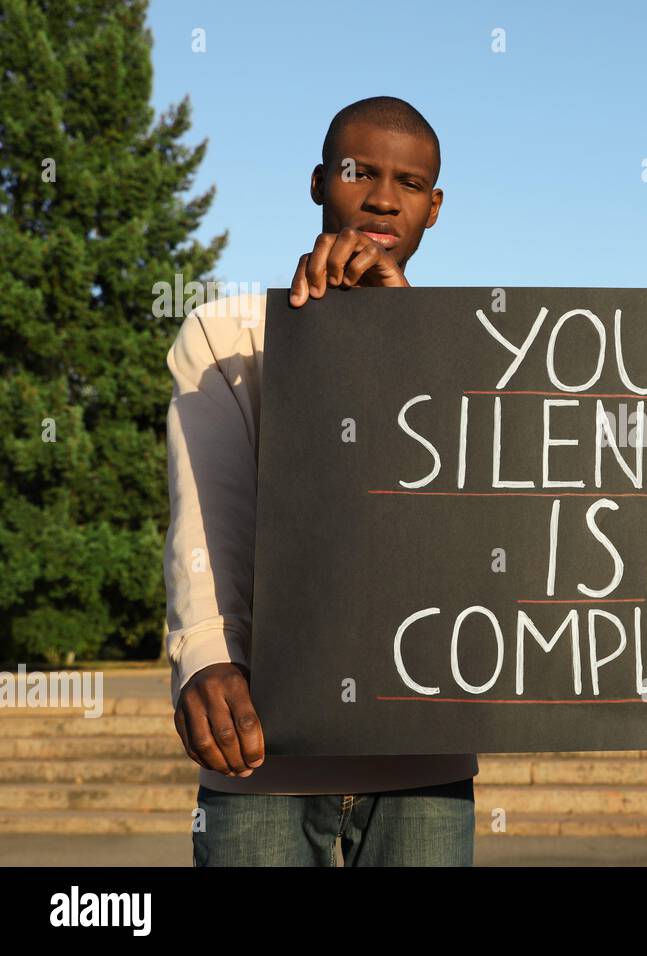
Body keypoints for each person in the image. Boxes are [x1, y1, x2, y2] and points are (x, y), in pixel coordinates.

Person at [165, 96, 477, 866]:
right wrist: (204, 654)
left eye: (409, 183)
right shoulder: (224, 333)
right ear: (317, 182)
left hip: (422, 757)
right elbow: (208, 519)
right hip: (264, 755)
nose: (381, 197)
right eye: (357, 171)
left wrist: (396, 341)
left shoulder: (472, 357)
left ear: (434, 209)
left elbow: (473, 531)